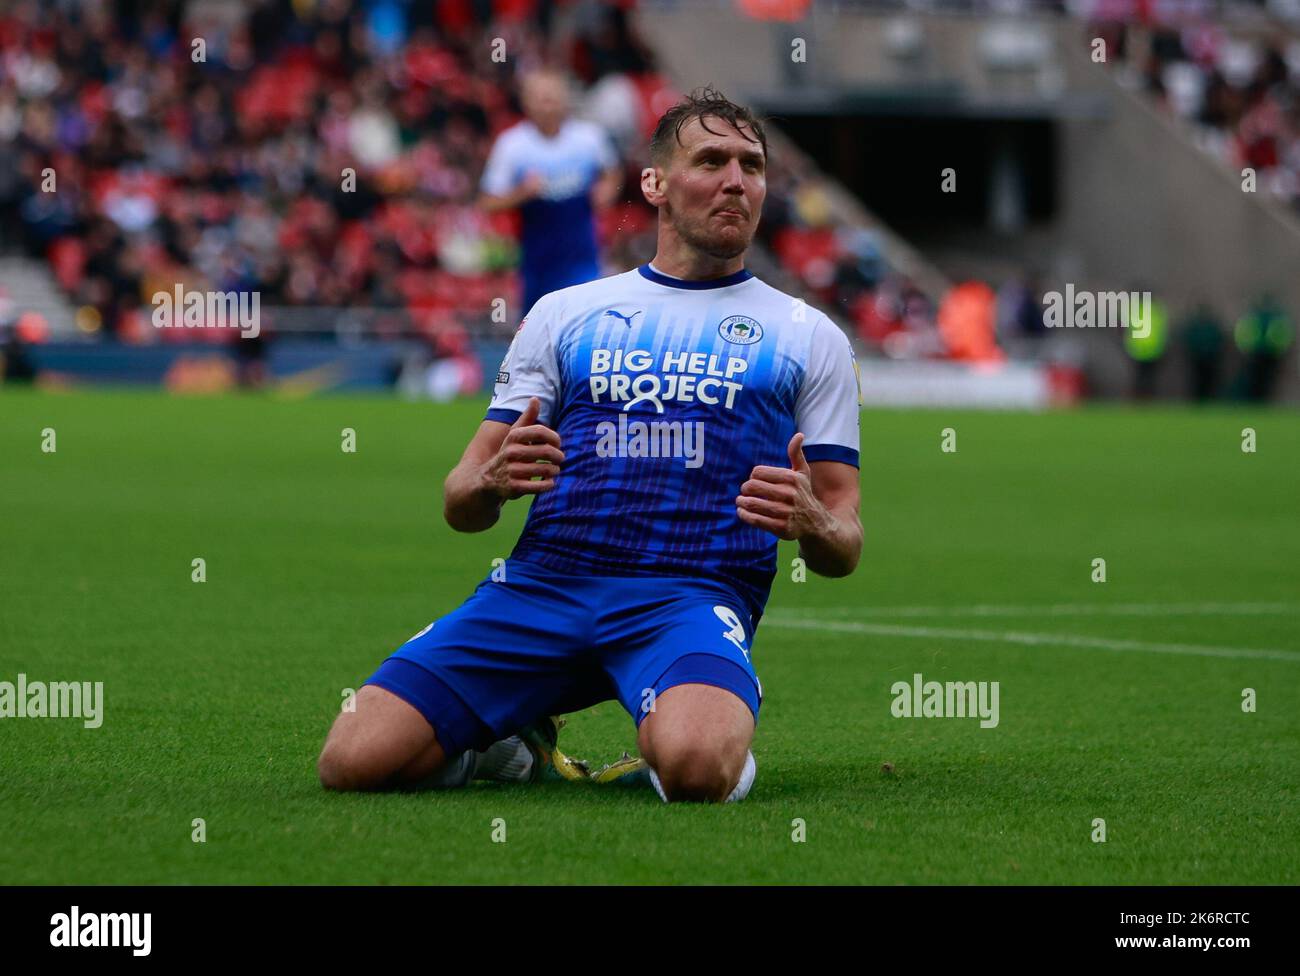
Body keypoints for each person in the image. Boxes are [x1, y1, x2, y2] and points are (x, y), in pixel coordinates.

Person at [319, 86, 863, 803]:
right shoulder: (567, 313)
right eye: (711, 160)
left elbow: (844, 542)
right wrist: (492, 482)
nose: (736, 180)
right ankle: (509, 752)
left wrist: (812, 521)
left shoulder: (809, 335)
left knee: (698, 770)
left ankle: (691, 731)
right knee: (353, 762)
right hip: (542, 586)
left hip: (689, 596)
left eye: (751, 165)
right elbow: (461, 501)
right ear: (654, 183)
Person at [479, 68, 623, 320]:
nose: (547, 106)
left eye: (552, 97)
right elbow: (488, 202)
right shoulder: (512, 145)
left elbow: (612, 172)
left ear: (564, 99)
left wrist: (607, 190)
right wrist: (522, 193)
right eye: (540, 98)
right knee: (538, 329)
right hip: (537, 262)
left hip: (583, 258)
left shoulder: (589, 138)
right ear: (526, 102)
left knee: (583, 324)